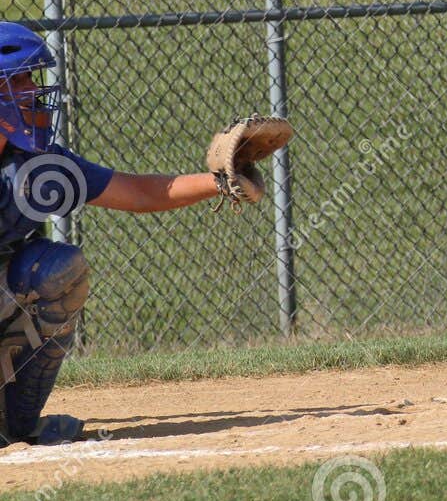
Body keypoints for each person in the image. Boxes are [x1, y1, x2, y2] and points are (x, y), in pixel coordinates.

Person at [0, 22, 261, 446]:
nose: (33, 91)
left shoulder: (40, 163)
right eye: (19, 81)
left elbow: (139, 191)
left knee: (56, 272)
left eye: (33, 78)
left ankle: (16, 425)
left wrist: (219, 181)